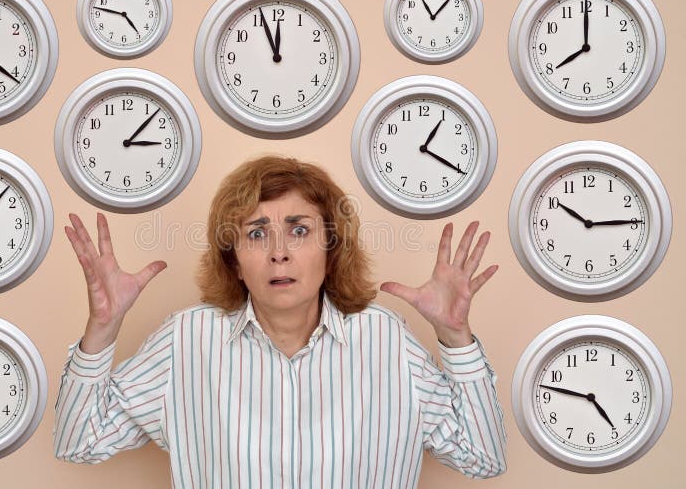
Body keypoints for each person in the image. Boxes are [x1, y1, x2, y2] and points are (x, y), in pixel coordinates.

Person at [53, 155, 507, 488]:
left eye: (299, 230)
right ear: (233, 262)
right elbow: (79, 443)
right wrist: (103, 328)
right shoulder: (186, 340)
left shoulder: (387, 340)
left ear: (332, 251)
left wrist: (455, 337)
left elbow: (483, 457)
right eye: (256, 233)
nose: (279, 252)